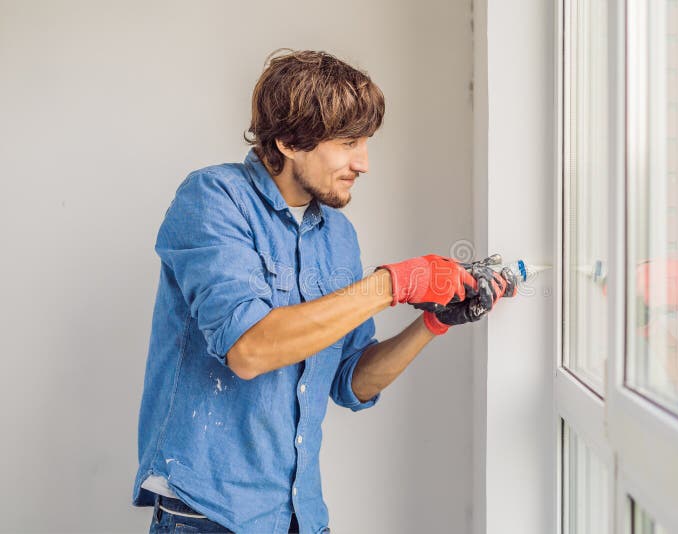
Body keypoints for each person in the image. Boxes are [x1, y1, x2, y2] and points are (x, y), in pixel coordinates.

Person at [133, 49, 516, 534]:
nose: (364, 163)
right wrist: (394, 283)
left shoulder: (336, 235)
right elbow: (249, 349)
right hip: (208, 517)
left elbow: (352, 381)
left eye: (366, 143)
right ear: (291, 140)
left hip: (300, 516)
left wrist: (432, 323)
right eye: (350, 142)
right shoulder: (213, 199)